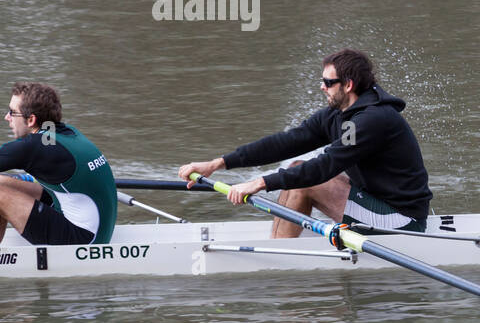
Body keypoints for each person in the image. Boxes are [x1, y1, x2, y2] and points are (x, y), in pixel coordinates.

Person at [178, 49, 431, 237]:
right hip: (373, 200)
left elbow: (326, 166)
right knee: (297, 166)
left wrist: (260, 183)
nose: (322, 87)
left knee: (309, 182)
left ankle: (278, 257)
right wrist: (218, 163)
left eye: (328, 83)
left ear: (349, 84)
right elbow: (286, 142)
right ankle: (278, 246)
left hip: (401, 221)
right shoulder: (338, 113)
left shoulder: (372, 120)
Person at [0, 82, 117, 245]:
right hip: (94, 226)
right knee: (2, 181)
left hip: (83, 240)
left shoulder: (35, 146)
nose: (7, 117)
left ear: (31, 119)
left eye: (13, 113)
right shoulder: (67, 133)